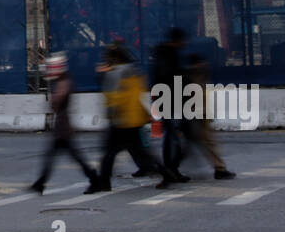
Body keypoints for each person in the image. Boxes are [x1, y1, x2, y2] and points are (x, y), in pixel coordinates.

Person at [93, 43, 177, 193]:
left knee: (110, 153)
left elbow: (115, 97)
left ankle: (104, 182)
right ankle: (166, 174)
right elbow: (138, 95)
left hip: (121, 119)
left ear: (114, 57)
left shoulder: (115, 73)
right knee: (141, 152)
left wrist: (112, 112)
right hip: (134, 118)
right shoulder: (134, 71)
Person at [29, 53, 98, 193]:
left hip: (63, 128)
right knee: (56, 156)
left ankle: (94, 179)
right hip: (62, 127)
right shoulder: (63, 81)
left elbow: (56, 103)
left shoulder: (63, 82)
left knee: (73, 157)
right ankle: (40, 183)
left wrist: (53, 99)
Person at [183, 53, 236, 179]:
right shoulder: (193, 77)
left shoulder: (200, 75)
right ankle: (219, 169)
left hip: (199, 115)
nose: (205, 65)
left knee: (195, 143)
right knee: (206, 142)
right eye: (201, 62)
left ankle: (219, 168)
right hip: (197, 115)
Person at [150, 26, 190, 182]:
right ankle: (170, 169)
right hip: (168, 99)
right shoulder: (167, 55)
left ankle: (171, 169)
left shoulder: (163, 54)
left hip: (166, 98)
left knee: (172, 135)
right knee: (174, 135)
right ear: (177, 40)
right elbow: (167, 77)